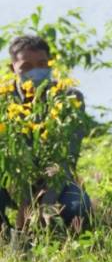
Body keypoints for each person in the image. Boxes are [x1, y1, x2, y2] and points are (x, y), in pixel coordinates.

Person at [1, 33, 92, 232]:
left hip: (56, 181)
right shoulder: (4, 100)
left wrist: (46, 205)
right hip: (10, 183)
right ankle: (7, 235)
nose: (36, 72)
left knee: (77, 206)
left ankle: (59, 235)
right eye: (26, 66)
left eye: (42, 64)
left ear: (49, 64)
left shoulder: (69, 99)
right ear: (12, 68)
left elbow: (67, 159)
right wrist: (25, 202)